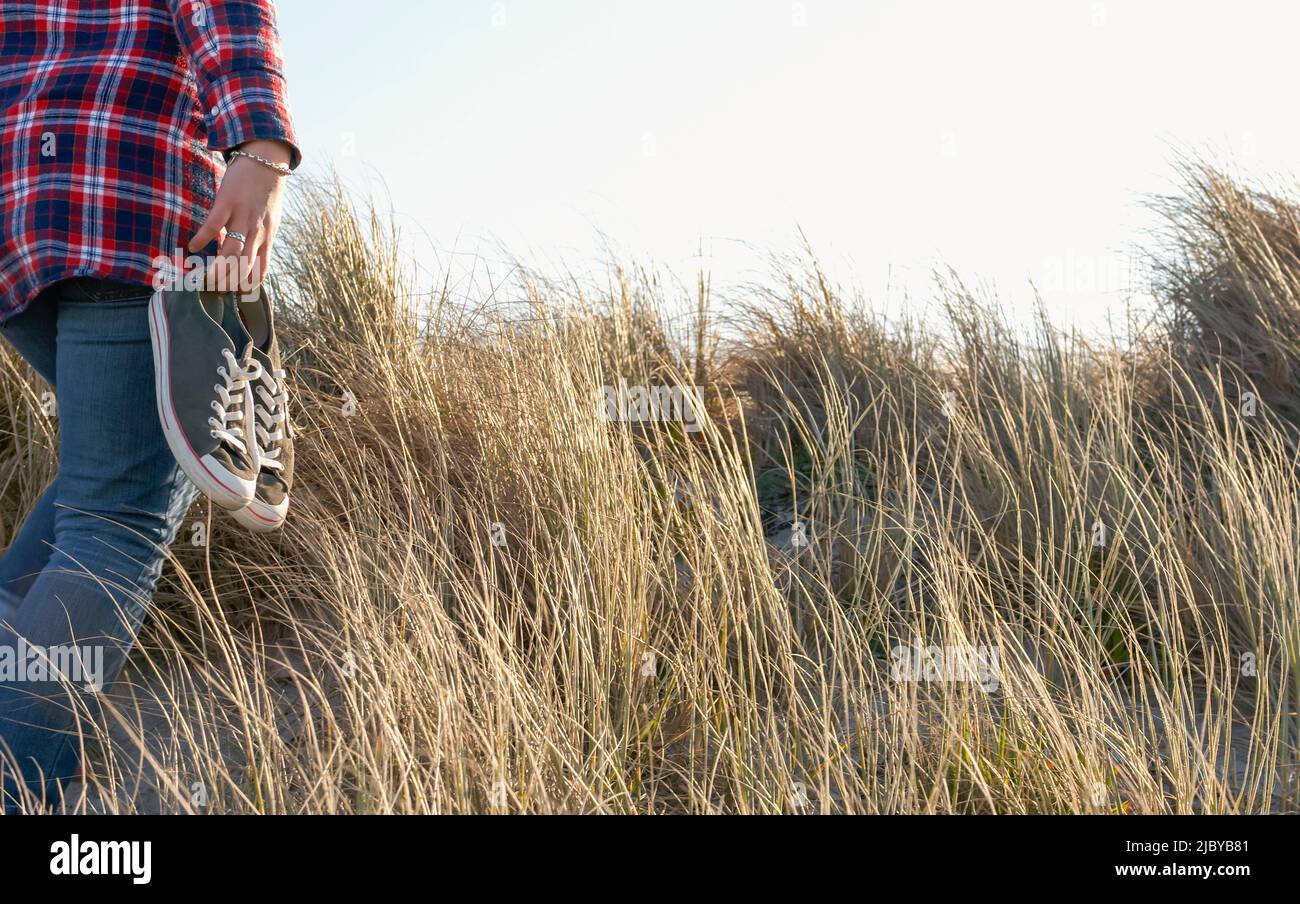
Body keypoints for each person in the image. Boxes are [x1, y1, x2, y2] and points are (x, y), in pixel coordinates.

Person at [0, 0, 300, 812]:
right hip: (126, 188)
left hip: (22, 215)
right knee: (117, 518)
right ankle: (23, 792)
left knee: (107, 476)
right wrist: (259, 143)